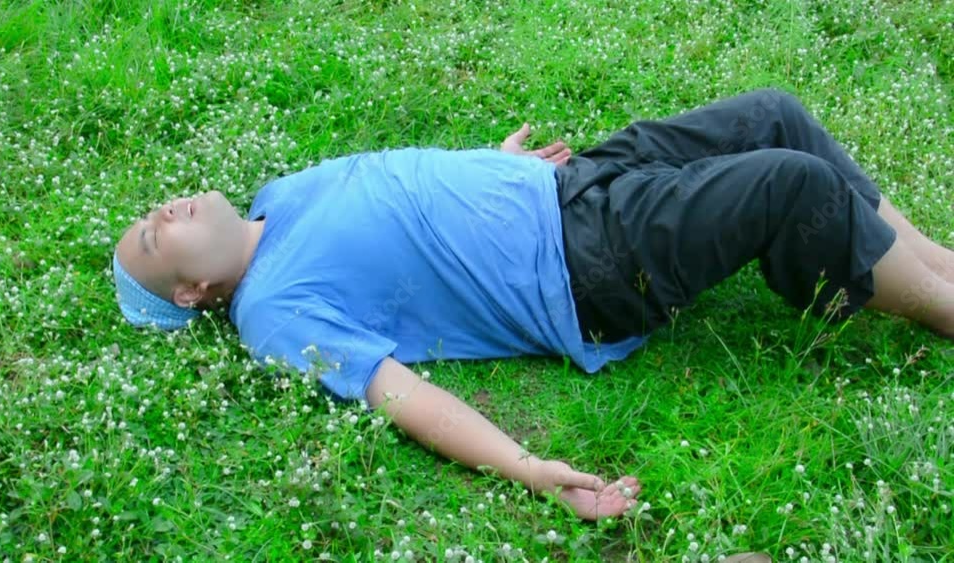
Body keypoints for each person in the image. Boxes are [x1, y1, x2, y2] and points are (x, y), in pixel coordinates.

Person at [112, 89, 954, 521]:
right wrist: (525, 468)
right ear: (193, 293)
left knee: (773, 115)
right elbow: (394, 391)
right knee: (790, 185)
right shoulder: (275, 314)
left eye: (147, 213)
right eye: (154, 239)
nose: (161, 213)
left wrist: (490, 164)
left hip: (572, 180)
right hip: (585, 266)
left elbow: (394, 192)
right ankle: (941, 304)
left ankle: (933, 265)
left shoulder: (277, 196)